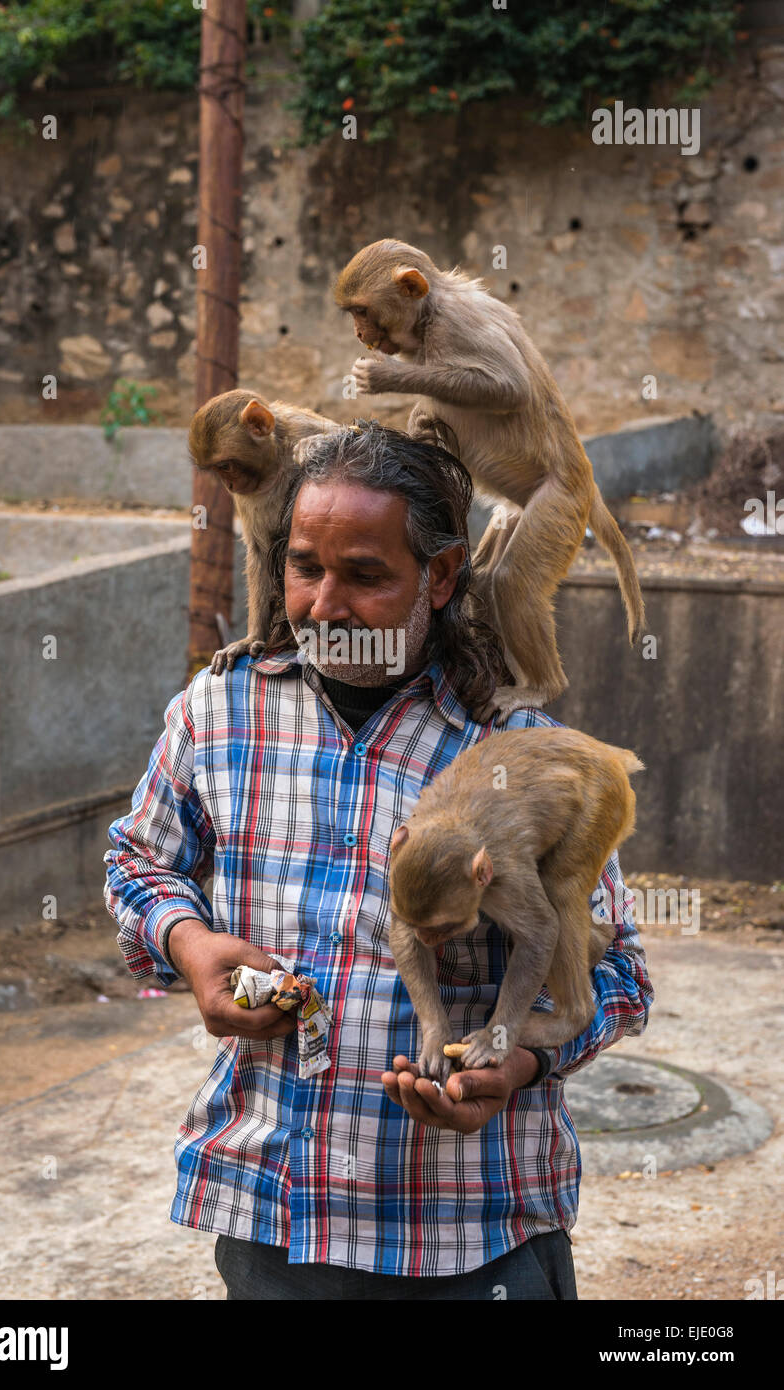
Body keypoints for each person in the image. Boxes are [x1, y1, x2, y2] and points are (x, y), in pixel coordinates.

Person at [103, 422, 653, 1300]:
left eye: (364, 575)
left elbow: (621, 974)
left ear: (439, 576)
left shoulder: (518, 752)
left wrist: (519, 1062)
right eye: (303, 568)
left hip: (469, 1229)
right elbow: (137, 862)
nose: (323, 606)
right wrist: (190, 948)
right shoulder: (219, 712)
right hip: (275, 1214)